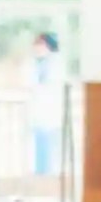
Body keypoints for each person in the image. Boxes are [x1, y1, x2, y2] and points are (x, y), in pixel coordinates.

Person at [28, 32, 66, 177]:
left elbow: (48, 86)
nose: (36, 48)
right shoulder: (39, 63)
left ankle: (47, 174)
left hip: (49, 110)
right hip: (41, 110)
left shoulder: (54, 63)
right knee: (41, 142)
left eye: (40, 45)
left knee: (49, 143)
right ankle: (42, 173)